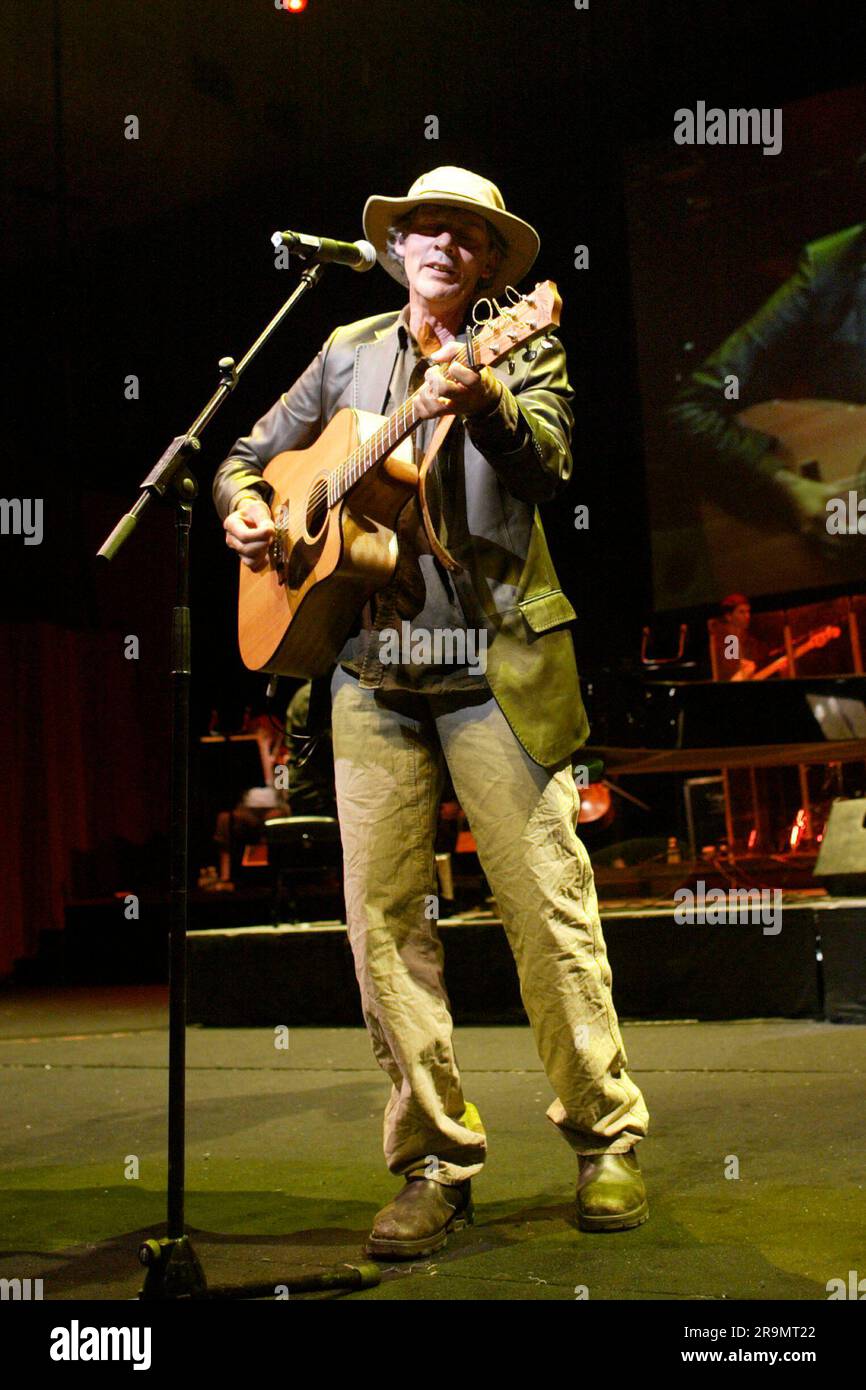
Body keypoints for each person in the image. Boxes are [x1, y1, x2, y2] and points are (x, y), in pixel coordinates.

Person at [213, 167, 649, 1257]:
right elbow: (242, 457)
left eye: (465, 236)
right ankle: (431, 1161)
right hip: (367, 674)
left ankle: (603, 1138)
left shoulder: (523, 339)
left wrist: (483, 399)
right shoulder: (347, 350)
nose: (440, 246)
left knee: (547, 915)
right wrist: (253, 510)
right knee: (383, 931)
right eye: (421, 230)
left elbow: (545, 463)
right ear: (397, 247)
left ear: (492, 265)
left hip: (494, 669)